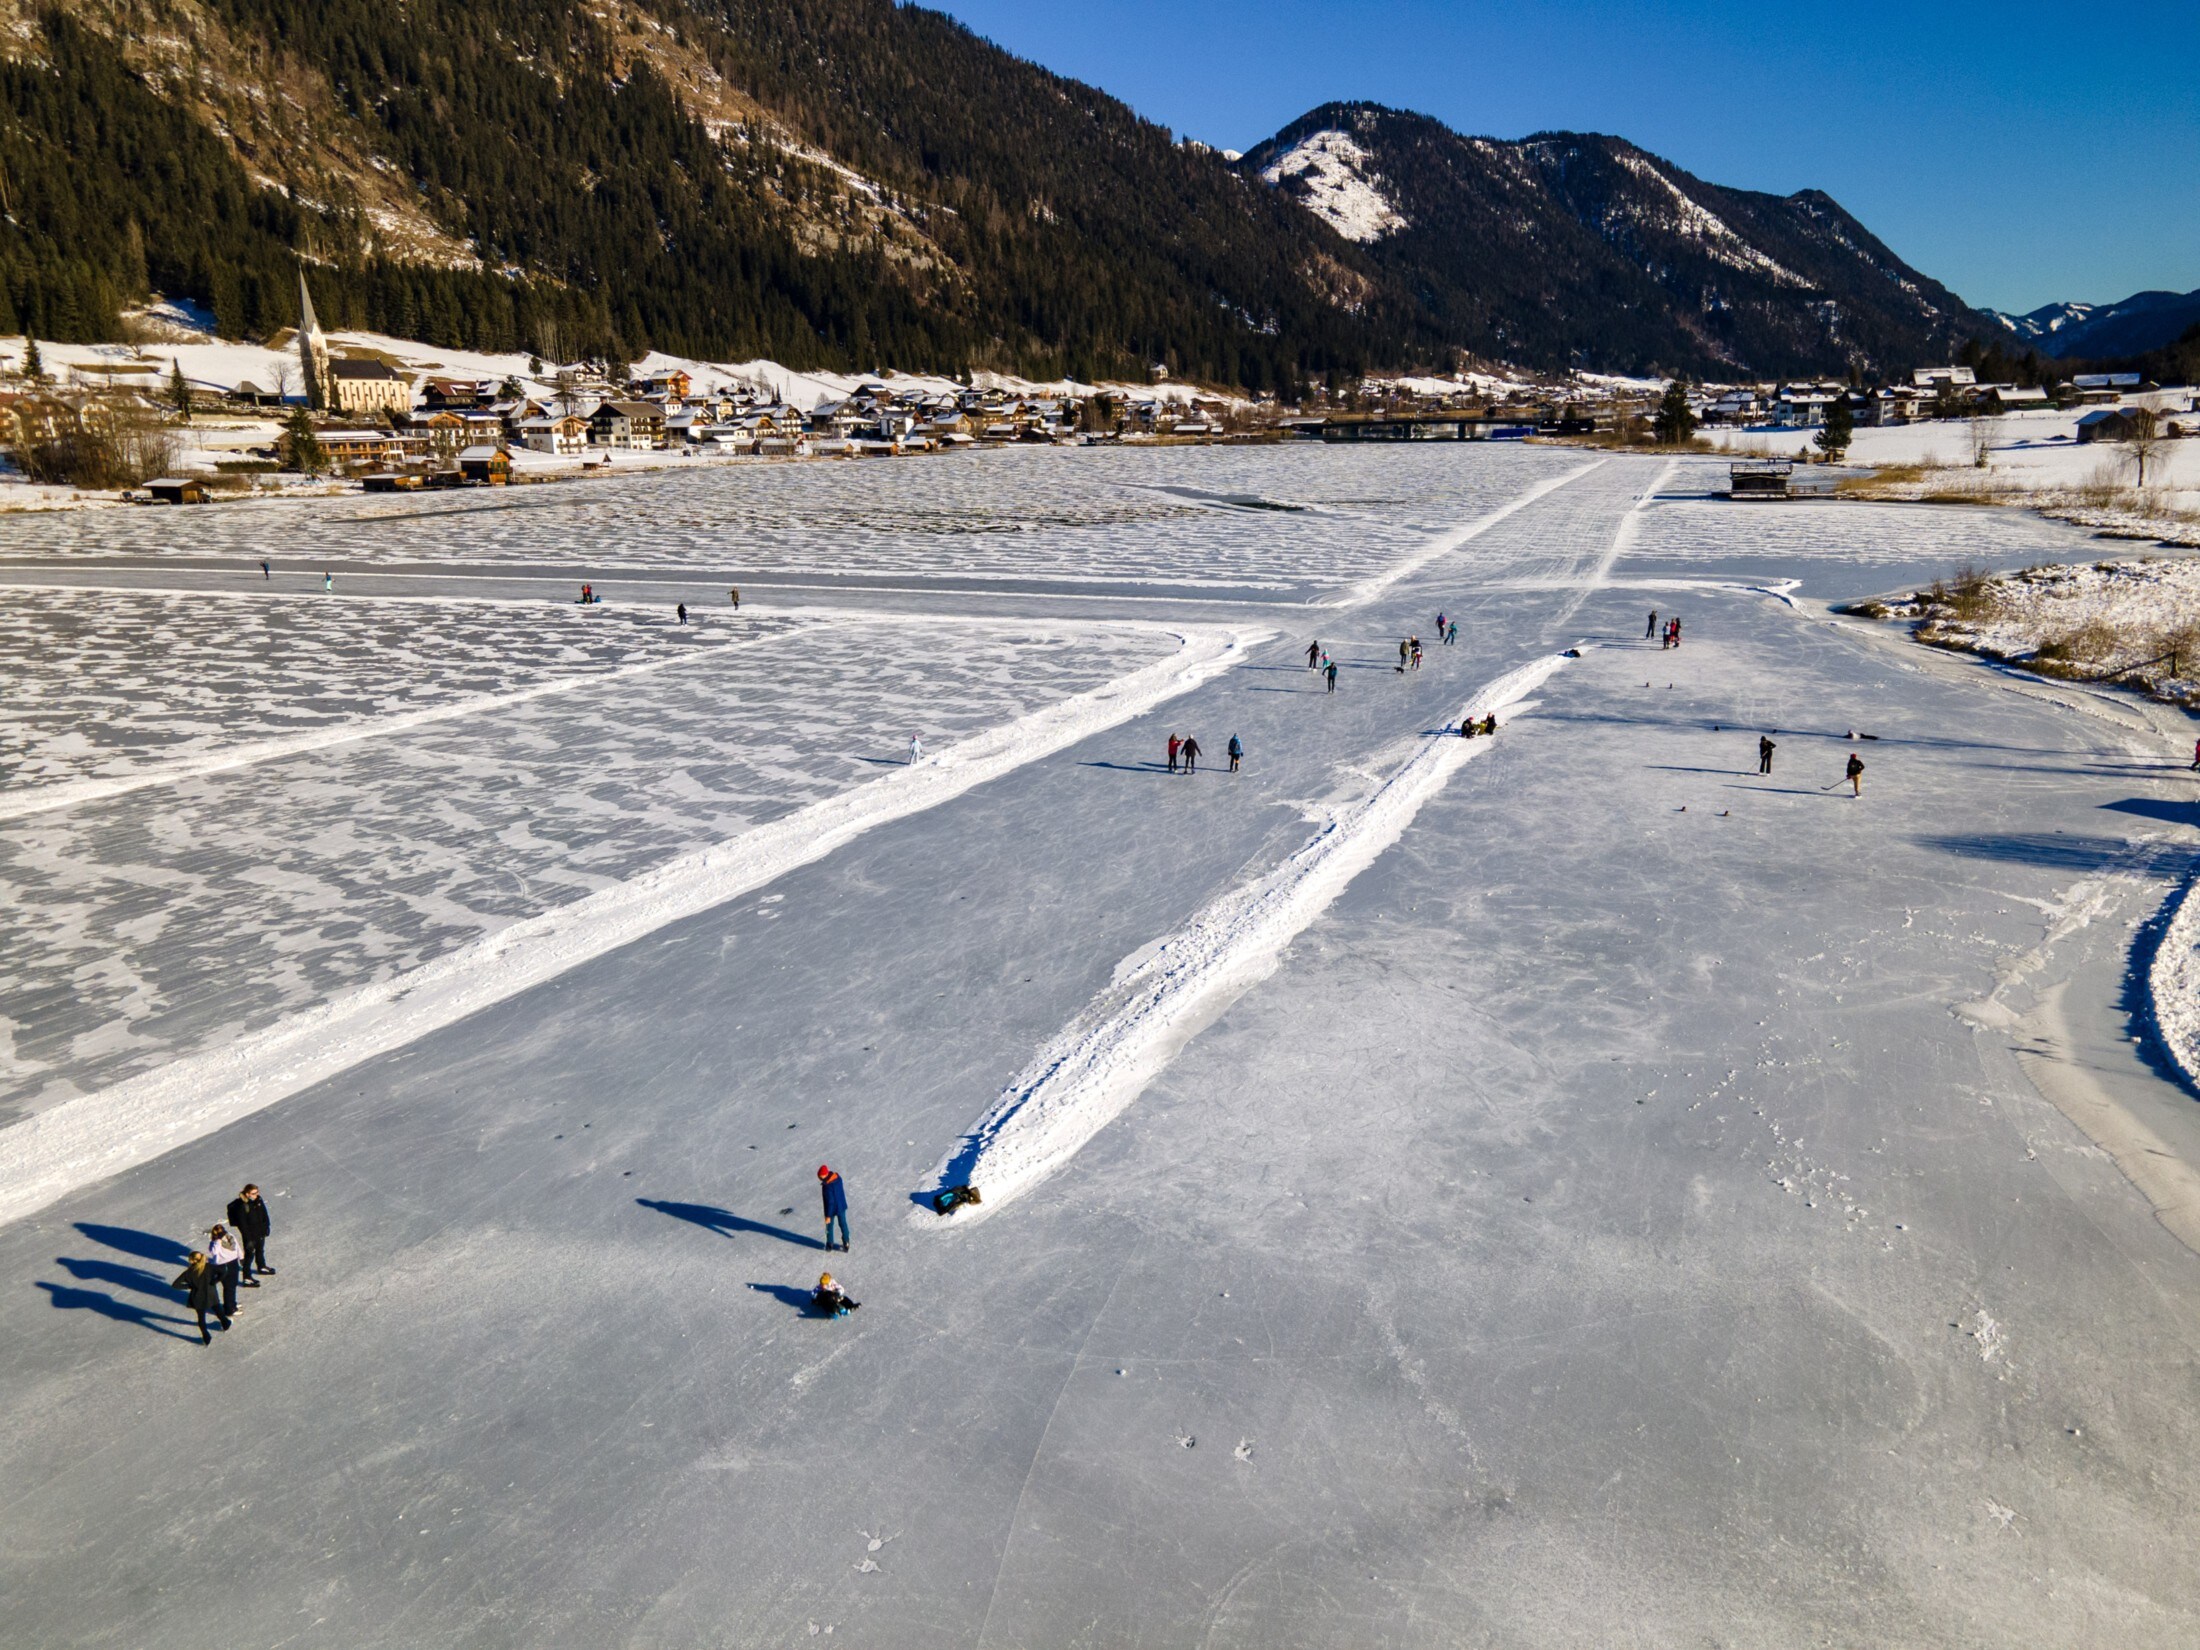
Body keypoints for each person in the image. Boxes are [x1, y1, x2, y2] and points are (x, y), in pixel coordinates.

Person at [171, 1251, 226, 1345]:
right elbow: (224, 1271)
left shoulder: (188, 1273)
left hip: (197, 1297)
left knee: (201, 1317)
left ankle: (206, 1337)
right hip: (211, 1294)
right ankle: (225, 1323)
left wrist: (189, 1286)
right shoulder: (209, 1267)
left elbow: (175, 1285)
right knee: (217, 1309)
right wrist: (215, 1281)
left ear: (192, 1261)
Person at [227, 1185, 272, 1280]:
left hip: (260, 1232)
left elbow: (264, 1214)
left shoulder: (258, 1200)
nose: (257, 1194)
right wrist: (248, 1239)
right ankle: (247, 1277)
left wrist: (267, 1226)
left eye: (257, 1192)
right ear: (247, 1194)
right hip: (250, 1235)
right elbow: (242, 1225)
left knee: (260, 1250)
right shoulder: (242, 1206)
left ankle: (261, 1266)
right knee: (249, 1255)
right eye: (254, 1193)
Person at [207, 1224, 243, 1320]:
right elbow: (214, 1252)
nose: (222, 1232)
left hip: (233, 1262)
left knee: (233, 1284)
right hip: (223, 1265)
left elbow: (236, 1246)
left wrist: (241, 1257)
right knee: (228, 1286)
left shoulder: (229, 1236)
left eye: (222, 1230)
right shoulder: (214, 1243)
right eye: (219, 1231)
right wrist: (218, 1240)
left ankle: (231, 1303)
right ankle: (229, 1309)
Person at [818, 1164, 850, 1252]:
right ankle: (846, 1241)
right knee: (843, 1224)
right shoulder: (838, 1179)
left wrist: (828, 1216)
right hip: (841, 1206)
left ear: (824, 1175)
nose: (819, 1179)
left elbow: (830, 1202)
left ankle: (830, 1243)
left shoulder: (827, 1186)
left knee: (829, 1226)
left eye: (820, 1177)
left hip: (831, 1209)